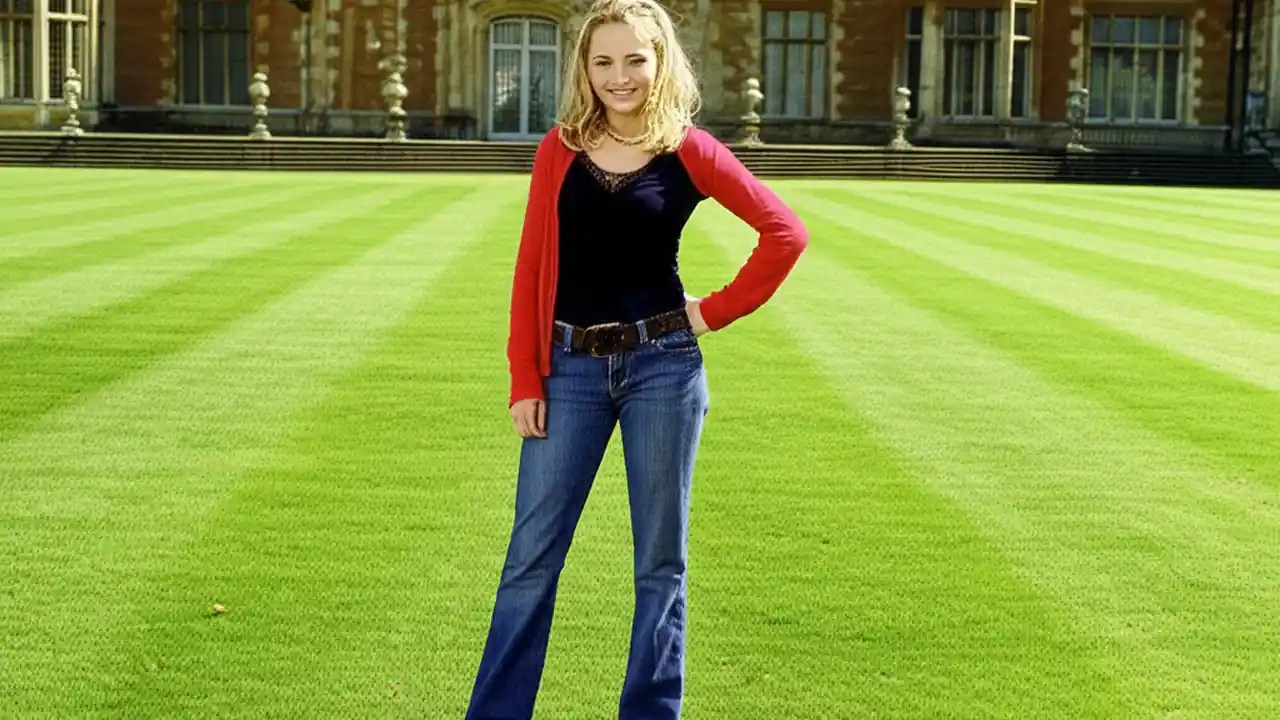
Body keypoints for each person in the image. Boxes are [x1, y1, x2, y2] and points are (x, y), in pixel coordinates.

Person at [466, 1, 807, 718]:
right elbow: (531, 268)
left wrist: (710, 312)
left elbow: (785, 233)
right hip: (568, 370)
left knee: (660, 563)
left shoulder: (689, 150)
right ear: (584, 69)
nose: (619, 76)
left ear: (660, 62)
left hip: (664, 370)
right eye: (603, 62)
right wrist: (525, 377)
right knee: (530, 559)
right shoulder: (558, 150)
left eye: (634, 60)